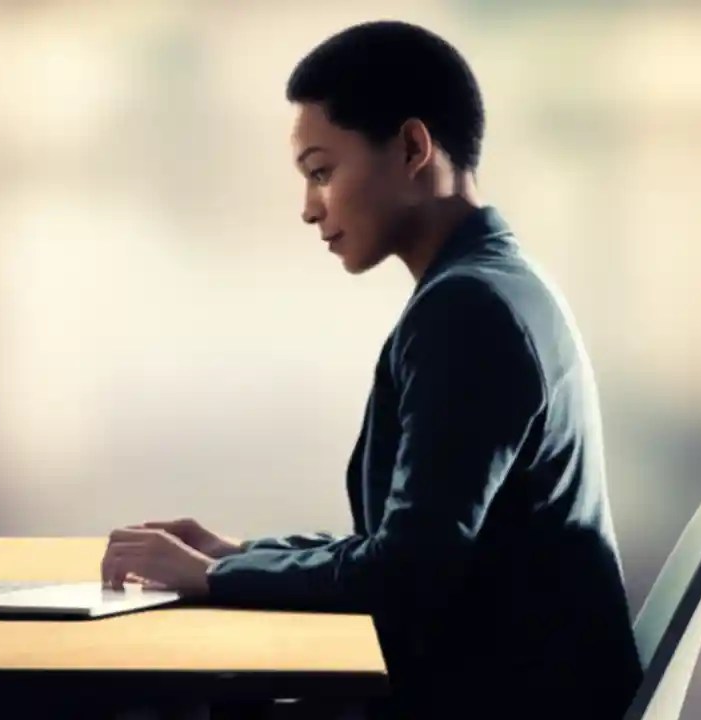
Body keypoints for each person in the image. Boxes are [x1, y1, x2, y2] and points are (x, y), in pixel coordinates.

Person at [99, 19, 643, 719]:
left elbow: (405, 579)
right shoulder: (497, 286)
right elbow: (409, 551)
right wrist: (241, 554)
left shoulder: (470, 312)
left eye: (322, 172)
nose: (308, 208)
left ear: (413, 148)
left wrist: (218, 575)